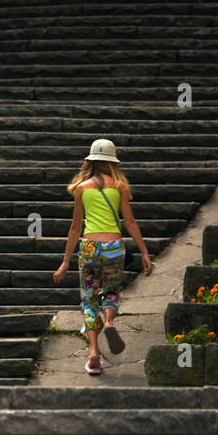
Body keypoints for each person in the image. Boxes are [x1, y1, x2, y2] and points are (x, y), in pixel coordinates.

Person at [52, 138, 153, 376]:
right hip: (112, 247)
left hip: (89, 248)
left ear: (91, 161)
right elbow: (130, 221)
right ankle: (109, 322)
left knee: (89, 300)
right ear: (112, 162)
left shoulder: (81, 188)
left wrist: (65, 261)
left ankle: (94, 354)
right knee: (111, 292)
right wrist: (145, 252)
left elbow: (75, 227)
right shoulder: (119, 186)